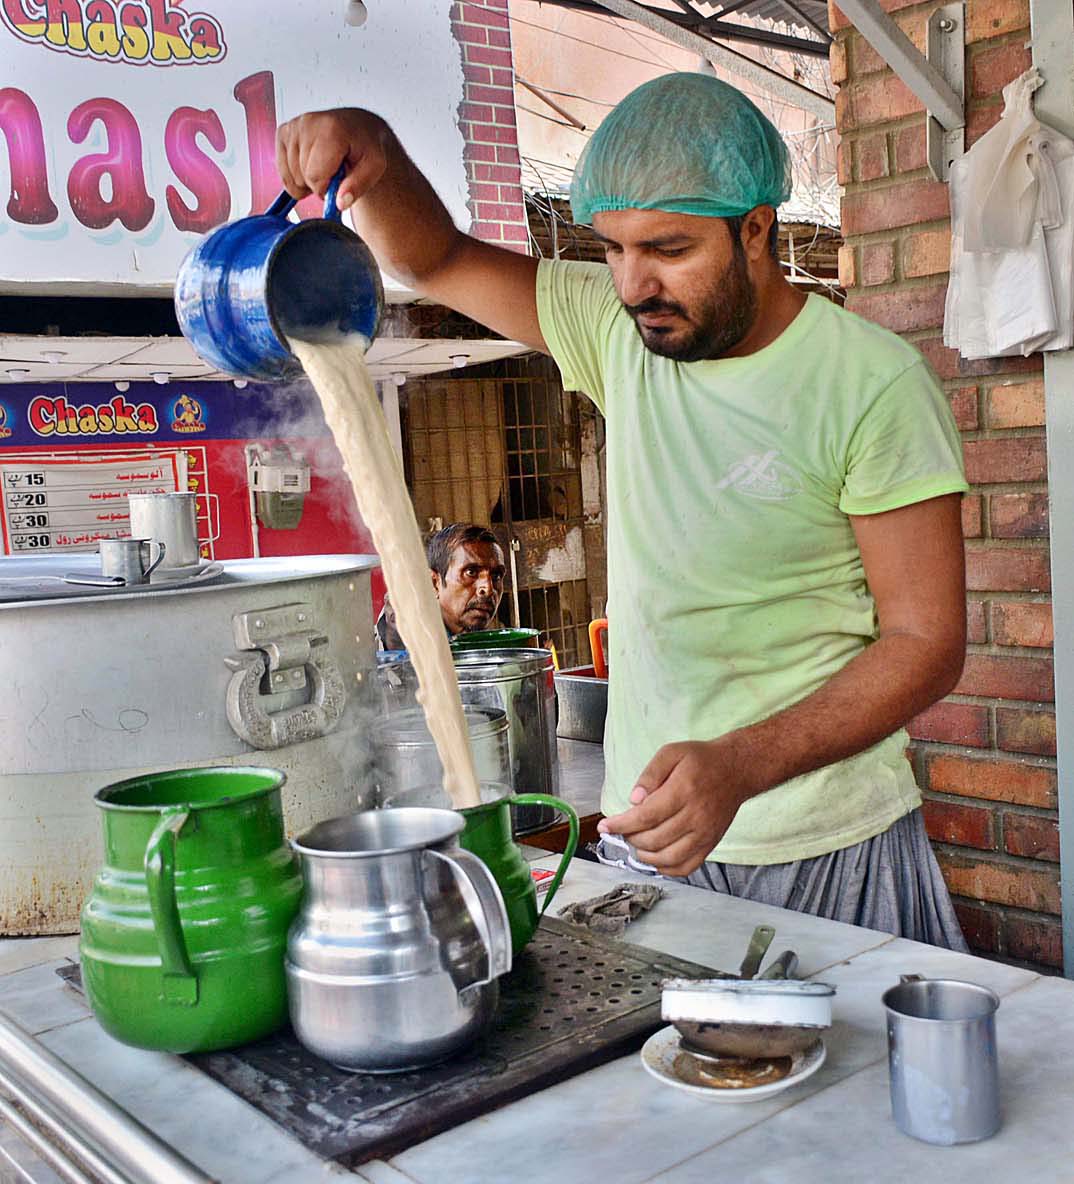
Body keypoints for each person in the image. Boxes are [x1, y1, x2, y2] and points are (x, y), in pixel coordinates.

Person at [278, 72, 970, 947]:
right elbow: (433, 258)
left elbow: (926, 644)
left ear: (756, 228)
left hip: (821, 846)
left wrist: (740, 766)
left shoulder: (870, 385)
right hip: (648, 841)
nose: (635, 282)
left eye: (670, 248)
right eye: (611, 248)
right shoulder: (617, 329)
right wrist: (370, 150)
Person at [375, 522, 506, 650]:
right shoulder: (400, 635)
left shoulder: (478, 640)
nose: (488, 589)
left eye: (496, 576)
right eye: (471, 572)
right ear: (434, 583)